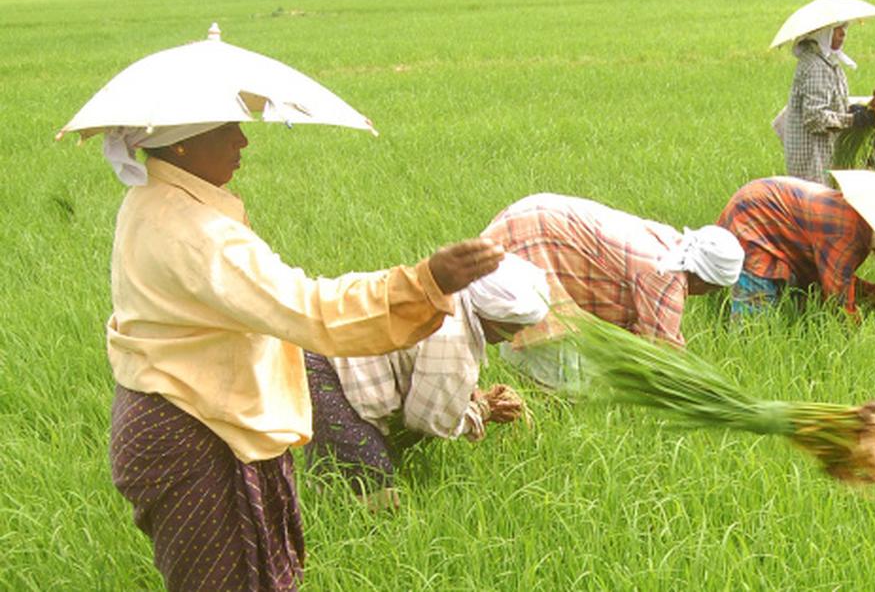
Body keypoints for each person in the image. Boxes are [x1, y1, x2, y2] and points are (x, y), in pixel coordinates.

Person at [105, 122, 504, 591]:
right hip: (197, 430)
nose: (242, 141)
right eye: (226, 131)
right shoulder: (197, 234)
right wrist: (423, 282)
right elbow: (311, 310)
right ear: (180, 142)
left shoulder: (153, 199)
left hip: (181, 415)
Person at [303, 255, 550, 508]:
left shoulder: (447, 293)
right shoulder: (452, 339)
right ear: (493, 315)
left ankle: (325, 502)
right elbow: (426, 420)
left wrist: (469, 394)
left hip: (316, 335)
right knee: (371, 478)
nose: (512, 338)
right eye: (513, 328)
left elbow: (421, 366)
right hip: (323, 364)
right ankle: (352, 525)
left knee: (346, 460)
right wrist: (483, 409)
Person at [480, 193, 744, 389]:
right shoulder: (665, 274)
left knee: (558, 357)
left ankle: (526, 414)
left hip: (526, 222)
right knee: (561, 379)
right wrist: (707, 396)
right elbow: (665, 355)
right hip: (533, 241)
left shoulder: (671, 242)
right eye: (711, 290)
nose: (703, 295)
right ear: (705, 280)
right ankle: (538, 432)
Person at [716, 176, 875, 321]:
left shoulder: (856, 217)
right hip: (753, 219)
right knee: (756, 319)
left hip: (760, 203)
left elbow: (832, 276)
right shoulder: (846, 231)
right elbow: (838, 296)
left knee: (800, 300)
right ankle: (747, 358)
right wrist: (859, 337)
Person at [780, 23, 875, 184]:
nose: (843, 33)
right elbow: (814, 118)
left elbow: (834, 103)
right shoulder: (815, 66)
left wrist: (856, 111)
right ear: (822, 31)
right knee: (816, 207)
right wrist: (855, 120)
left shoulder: (828, 62)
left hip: (825, 153)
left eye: (844, 28)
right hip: (813, 157)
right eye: (837, 29)